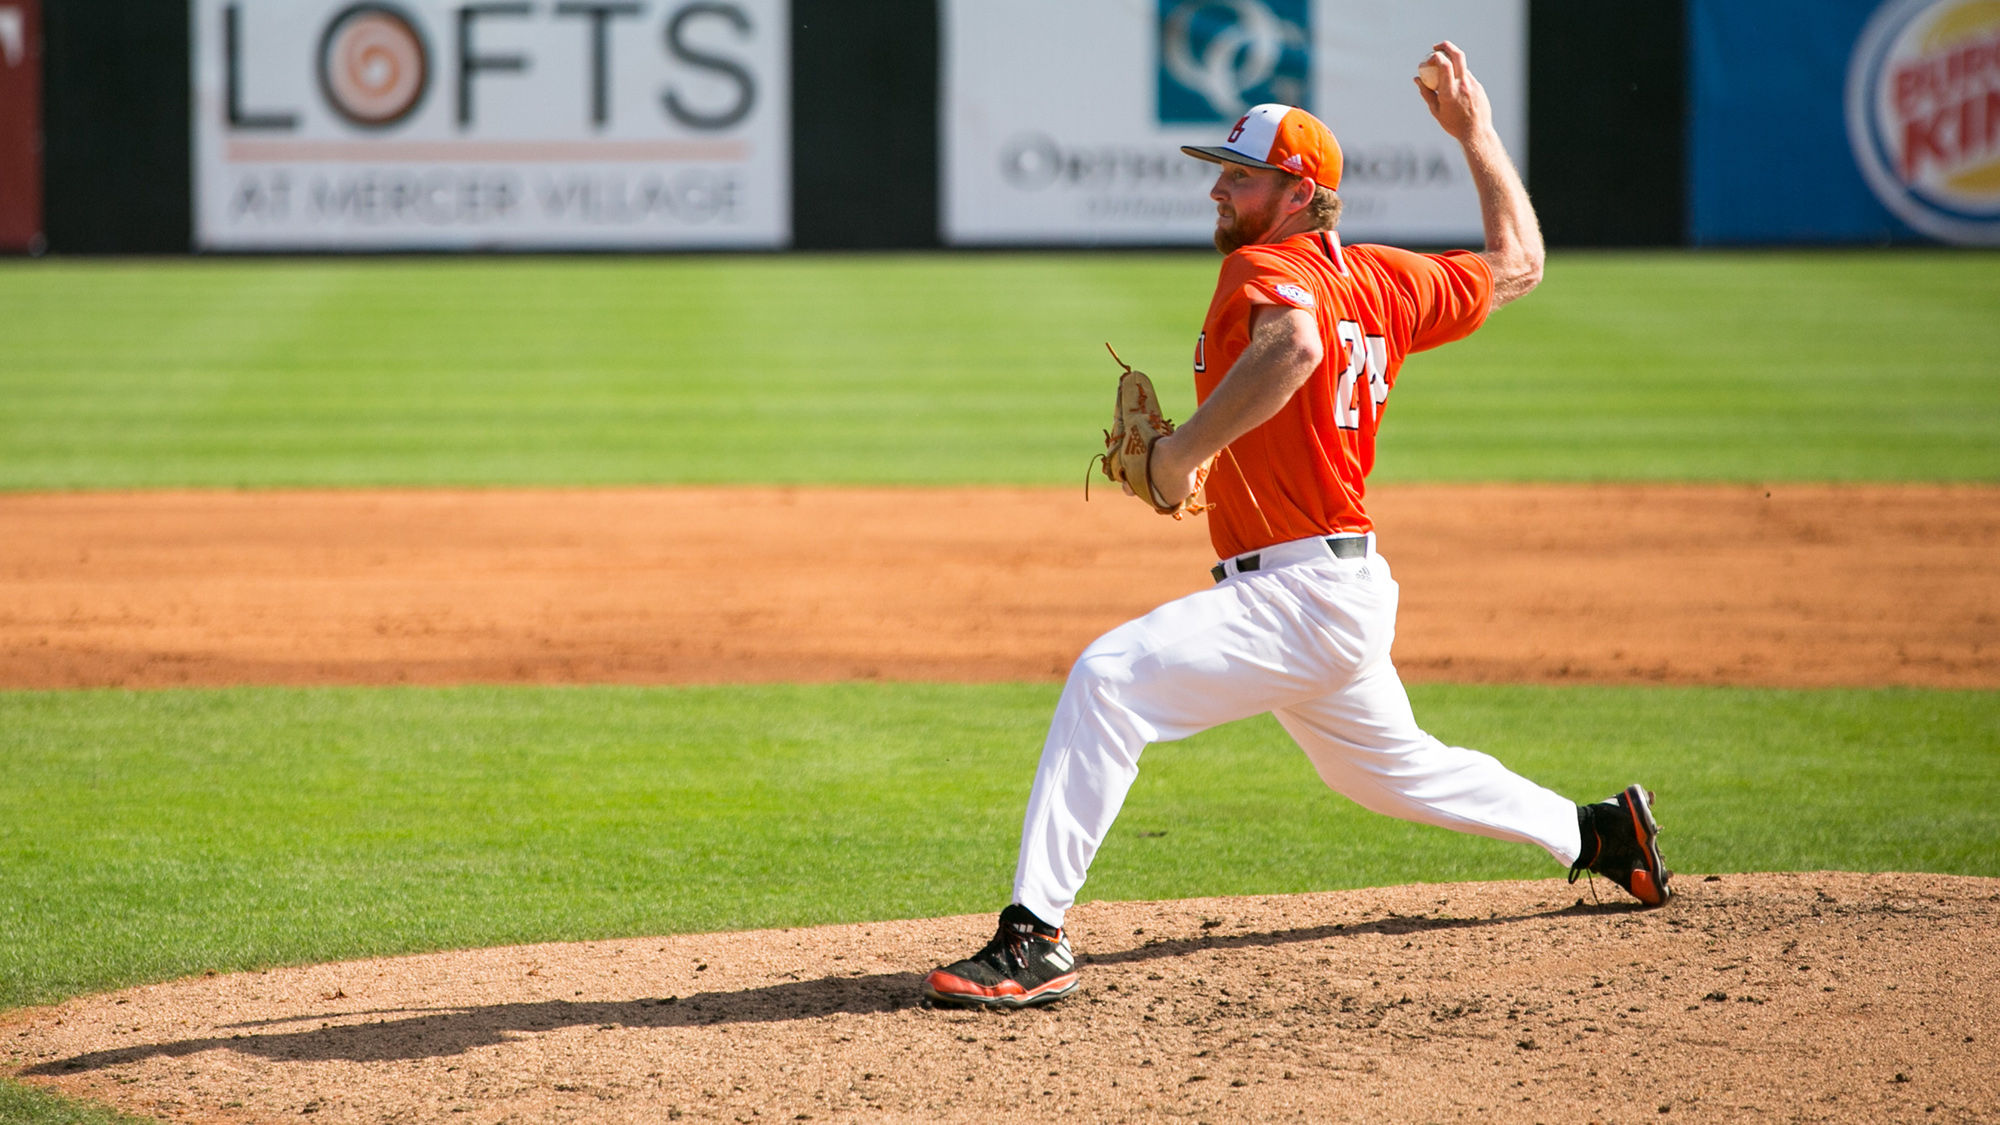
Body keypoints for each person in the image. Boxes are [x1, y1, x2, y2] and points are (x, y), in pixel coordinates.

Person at [922, 42, 1672, 1010]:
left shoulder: (1264, 270)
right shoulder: (1385, 280)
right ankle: (1600, 833)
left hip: (1302, 594)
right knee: (1392, 774)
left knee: (1106, 682)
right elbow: (1517, 265)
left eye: (1238, 178)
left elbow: (1295, 342)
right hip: (1333, 589)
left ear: (1294, 193)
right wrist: (1477, 137)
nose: (1217, 196)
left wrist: (1177, 455)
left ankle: (1033, 939)